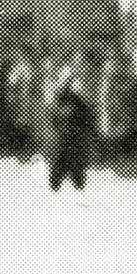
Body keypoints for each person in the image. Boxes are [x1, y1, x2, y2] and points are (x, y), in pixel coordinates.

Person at [48, 51, 95, 192]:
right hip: (67, 122)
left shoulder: (82, 77)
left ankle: (76, 180)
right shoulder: (67, 73)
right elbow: (57, 94)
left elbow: (87, 105)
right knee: (63, 152)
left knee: (75, 154)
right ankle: (59, 180)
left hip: (76, 122)